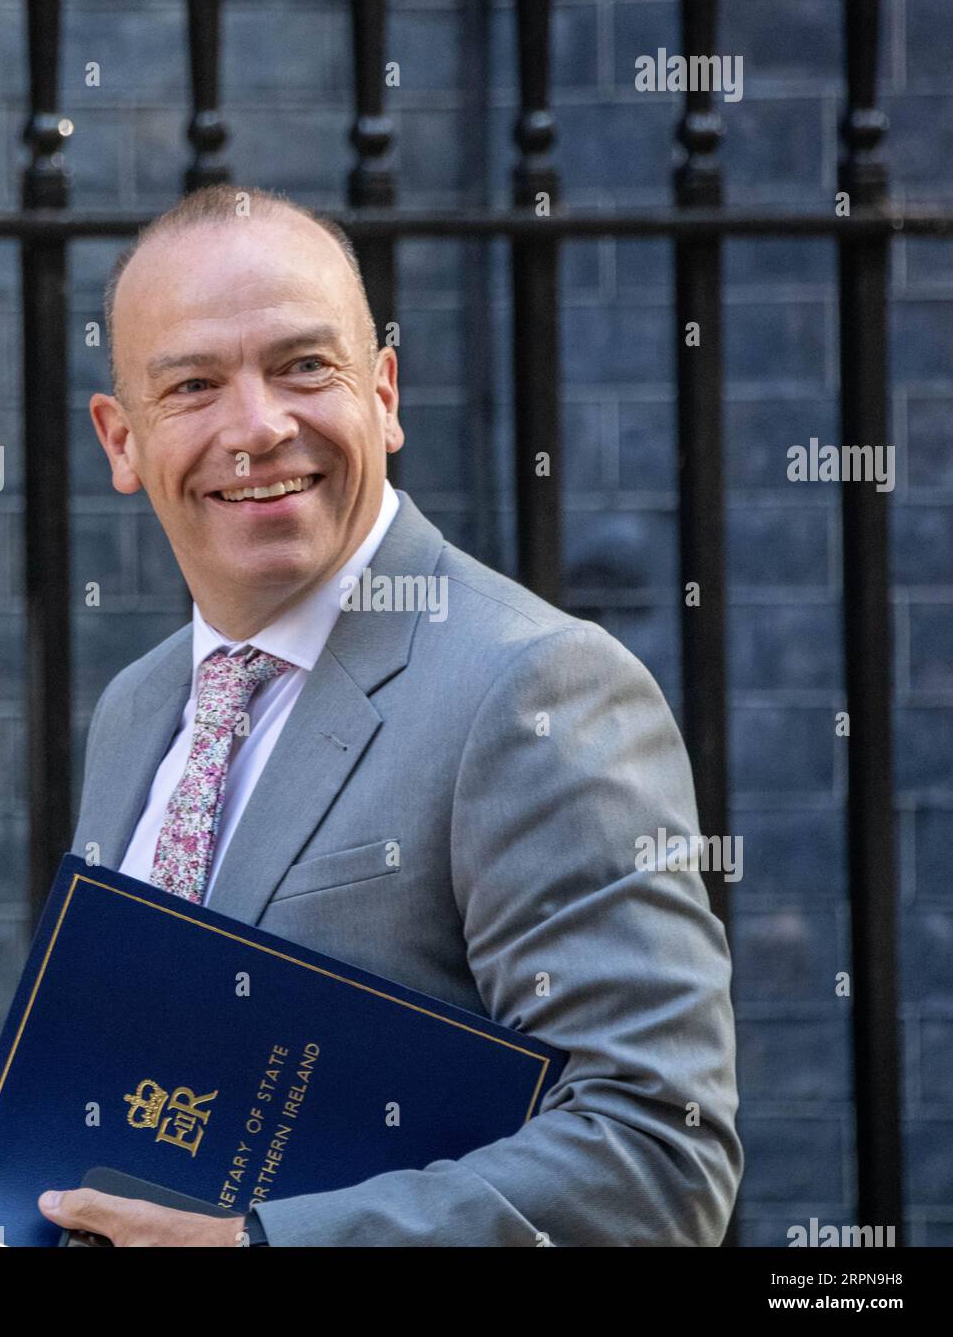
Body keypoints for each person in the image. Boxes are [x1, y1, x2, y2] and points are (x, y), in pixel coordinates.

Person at [37, 183, 742, 1247]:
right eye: (192, 384)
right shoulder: (139, 708)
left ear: (385, 394)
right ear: (121, 440)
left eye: (303, 367)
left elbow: (656, 1154)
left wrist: (259, 1247)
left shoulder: (534, 686)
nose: (258, 425)